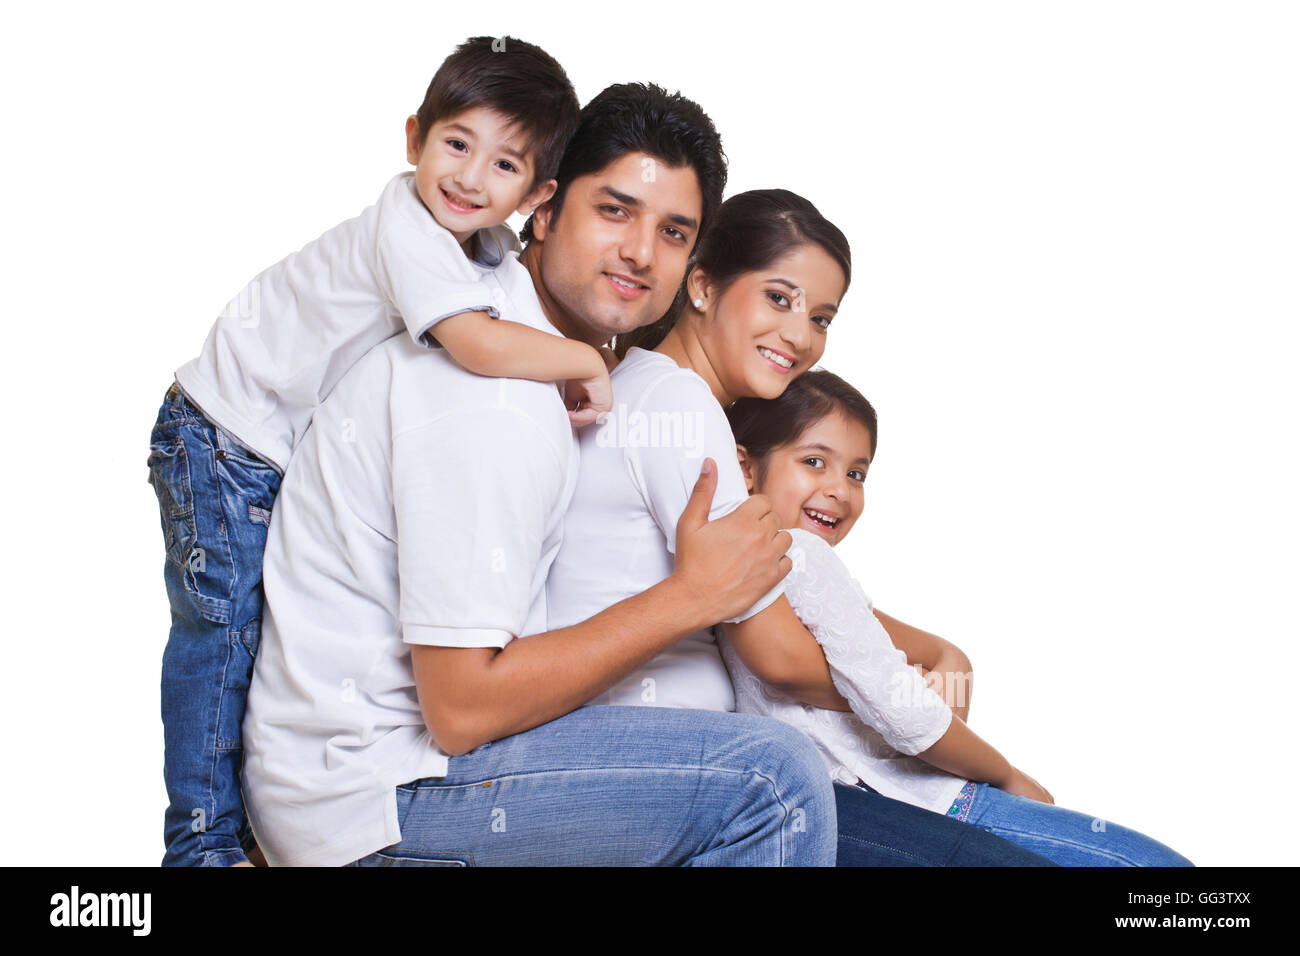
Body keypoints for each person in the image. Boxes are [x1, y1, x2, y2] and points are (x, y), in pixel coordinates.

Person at [240, 82, 843, 866]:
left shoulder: (539, 359)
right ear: (546, 209)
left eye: (673, 232)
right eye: (614, 211)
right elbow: (461, 708)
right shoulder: (495, 398)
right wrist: (691, 597)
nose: (639, 253)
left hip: (378, 779)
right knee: (771, 781)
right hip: (378, 799)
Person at [145, 35, 604, 866]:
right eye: (456, 144)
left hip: (263, 444)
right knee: (222, 632)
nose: (469, 177)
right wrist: (582, 362)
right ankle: (199, 844)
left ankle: (245, 834)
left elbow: (505, 325)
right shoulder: (410, 228)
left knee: (261, 631)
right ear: (412, 138)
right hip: (221, 433)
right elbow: (477, 345)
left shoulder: (483, 252)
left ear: (537, 195)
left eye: (503, 166)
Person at [546, 188, 1055, 866]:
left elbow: (801, 595)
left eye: (820, 316)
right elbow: (780, 658)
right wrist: (895, 692)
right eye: (778, 299)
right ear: (703, 285)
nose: (799, 334)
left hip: (711, 777)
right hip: (682, 784)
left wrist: (923, 655)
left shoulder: (656, 391)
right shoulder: (682, 410)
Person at [719, 368, 1194, 866]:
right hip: (910, 797)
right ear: (746, 468)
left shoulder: (747, 562)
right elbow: (903, 712)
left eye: (857, 473)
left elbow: (934, 666)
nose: (840, 489)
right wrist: (1006, 775)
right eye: (815, 461)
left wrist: (920, 680)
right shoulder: (803, 554)